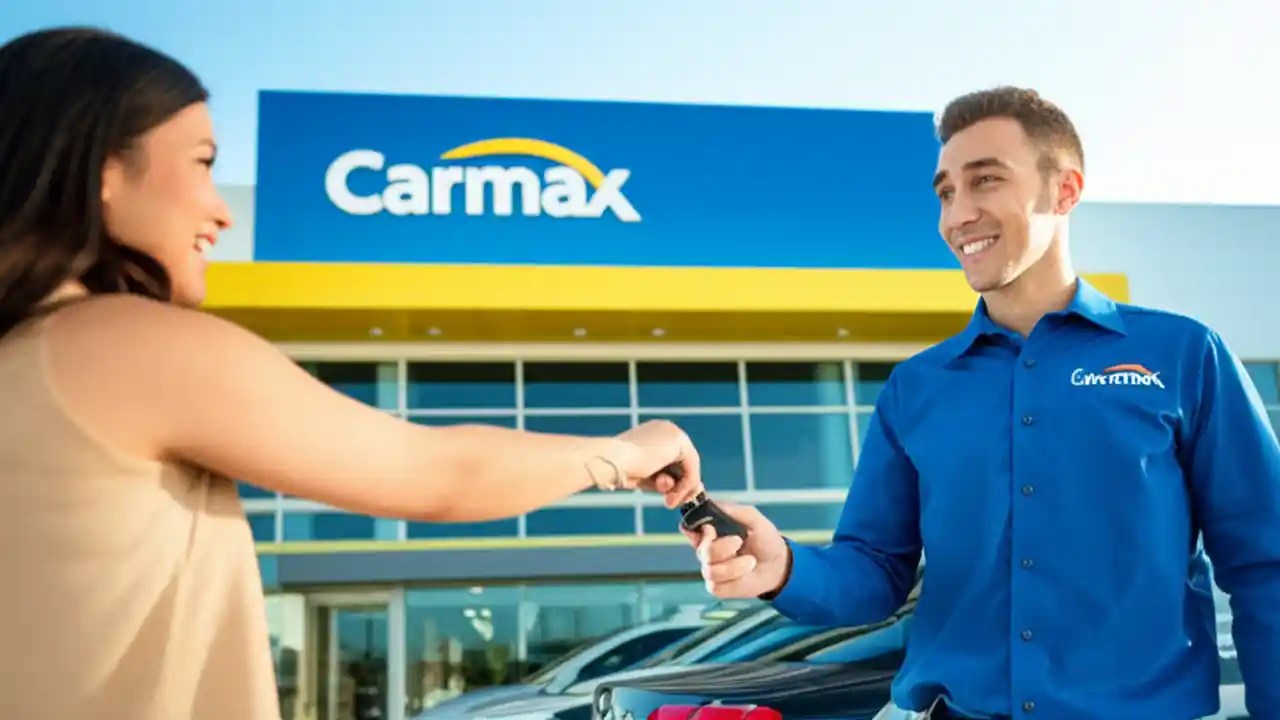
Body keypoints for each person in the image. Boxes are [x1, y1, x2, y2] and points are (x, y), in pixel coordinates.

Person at [0, 27, 703, 719]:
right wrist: (624, 454)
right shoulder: (119, 343)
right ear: (104, 171)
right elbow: (436, 473)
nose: (219, 210)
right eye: (202, 162)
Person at [691, 86, 1280, 719]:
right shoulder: (917, 387)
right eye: (946, 193)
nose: (957, 215)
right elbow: (874, 572)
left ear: (1066, 190)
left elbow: (1265, 562)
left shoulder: (1183, 354)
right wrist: (782, 567)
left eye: (986, 182)